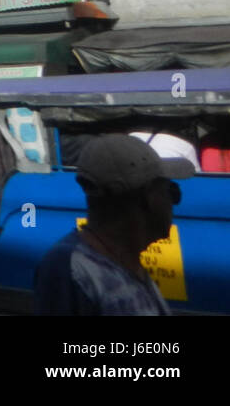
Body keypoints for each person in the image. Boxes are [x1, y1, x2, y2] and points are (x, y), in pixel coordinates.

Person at [34, 133, 192, 316]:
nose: (173, 205)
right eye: (171, 192)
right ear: (149, 199)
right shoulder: (69, 271)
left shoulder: (126, 261)